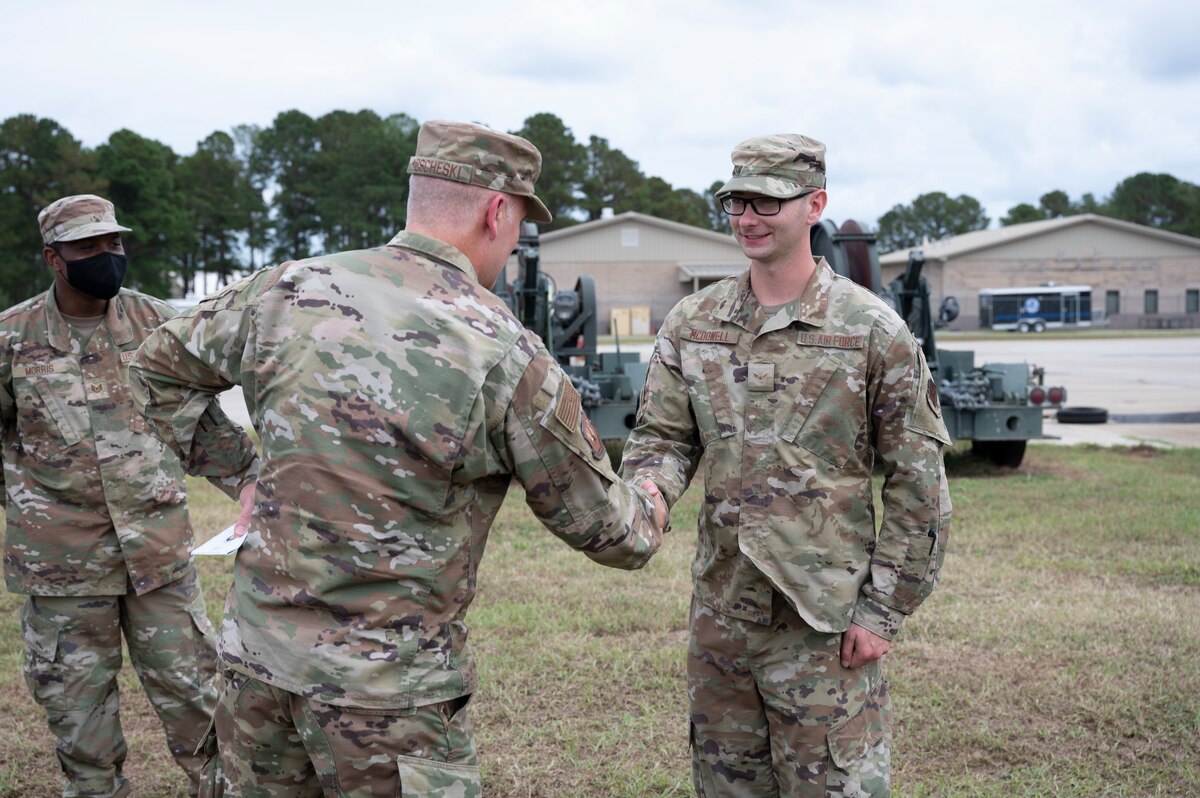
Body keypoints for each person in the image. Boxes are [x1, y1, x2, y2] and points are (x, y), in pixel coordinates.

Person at [129, 119, 667, 797]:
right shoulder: (502, 350)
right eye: (518, 224)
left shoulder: (285, 289)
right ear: (497, 212)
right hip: (387, 702)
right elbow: (615, 533)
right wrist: (657, 474)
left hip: (258, 671)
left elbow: (153, 369)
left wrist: (243, 474)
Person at [621, 134, 953, 797]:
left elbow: (917, 481)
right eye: (737, 202)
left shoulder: (870, 330)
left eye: (767, 203)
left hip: (823, 624)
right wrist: (649, 492)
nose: (748, 218)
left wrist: (883, 611)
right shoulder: (694, 323)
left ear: (815, 205)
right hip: (723, 621)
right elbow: (664, 438)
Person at [0, 194, 259, 798]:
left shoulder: (158, 326)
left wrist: (250, 483)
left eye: (114, 243)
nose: (107, 255)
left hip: (158, 557)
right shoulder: (12, 338)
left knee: (199, 701)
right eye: (88, 247)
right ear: (54, 258)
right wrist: (29, 503)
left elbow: (200, 422)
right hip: (62, 569)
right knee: (78, 716)